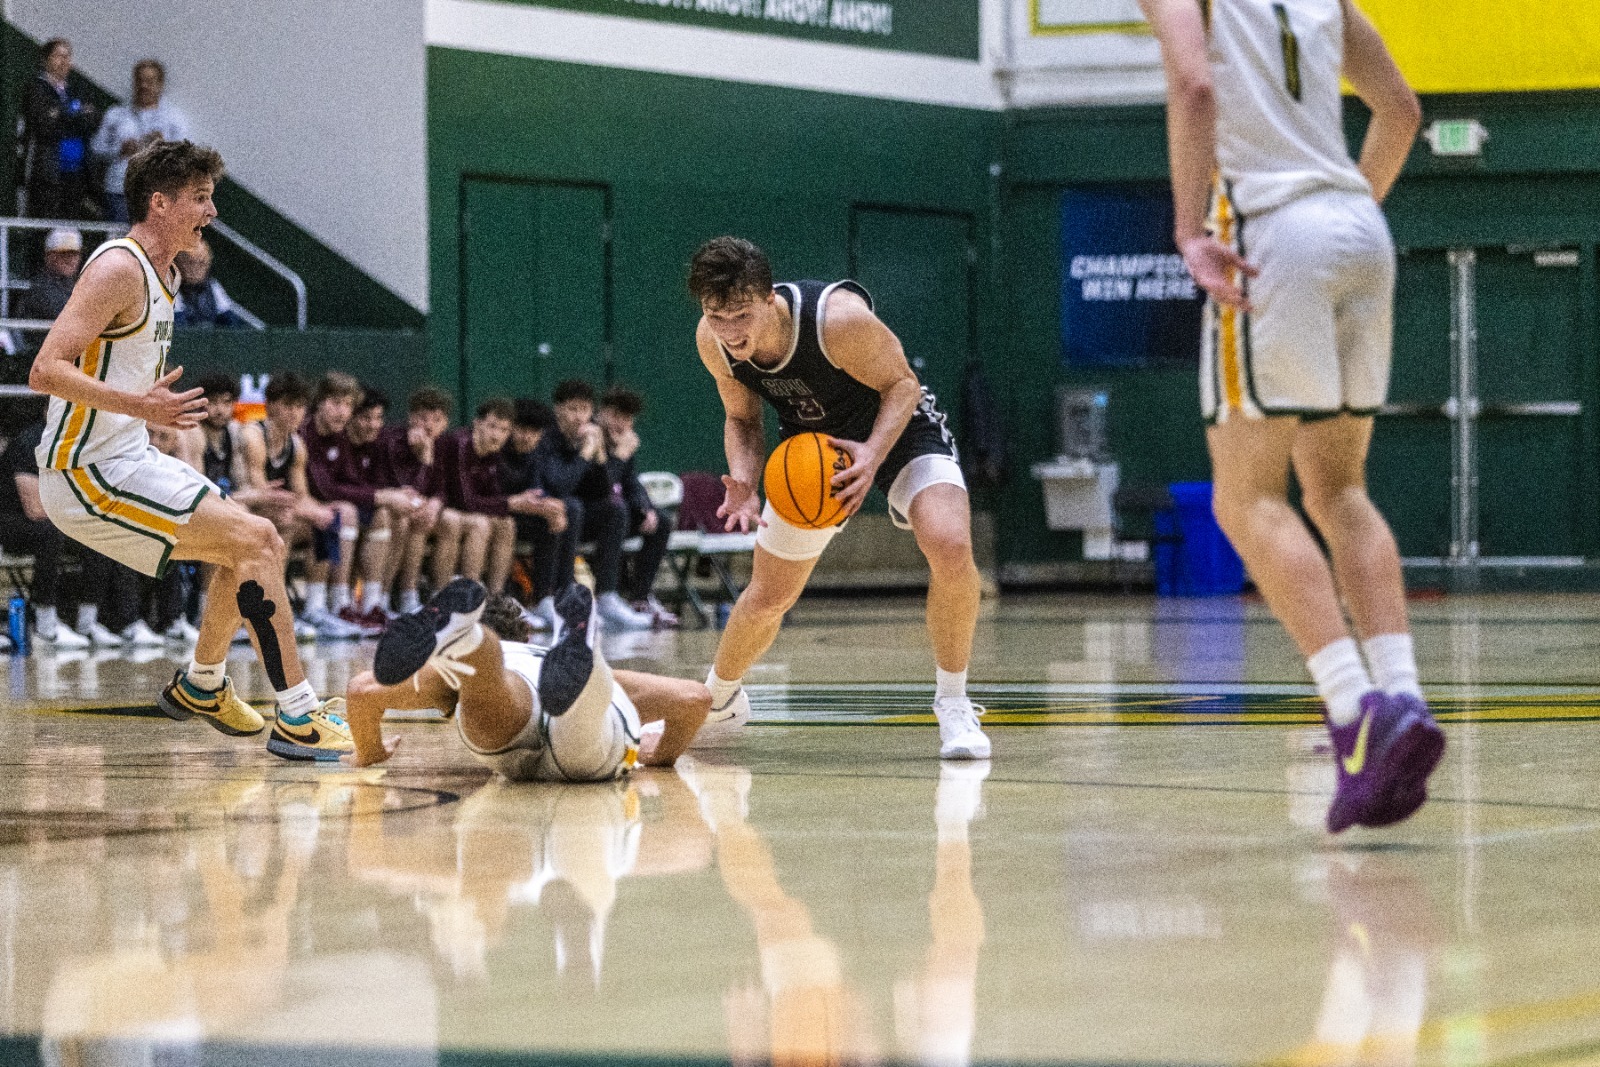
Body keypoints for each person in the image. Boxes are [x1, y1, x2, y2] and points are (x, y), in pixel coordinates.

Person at [1138, 0, 1443, 831]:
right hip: (1357, 224)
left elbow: (1194, 84)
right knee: (1340, 489)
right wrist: (1345, 215)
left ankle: (1355, 714)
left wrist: (1185, 228)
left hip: (1270, 230)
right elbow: (1402, 111)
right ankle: (1401, 699)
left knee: (1245, 498)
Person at [28, 139, 351, 759]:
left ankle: (204, 684)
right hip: (84, 472)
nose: (212, 212)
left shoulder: (167, 273)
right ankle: (299, 717)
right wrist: (141, 408)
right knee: (258, 541)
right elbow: (45, 369)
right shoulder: (118, 267)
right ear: (160, 202)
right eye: (201, 198)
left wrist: (142, 416)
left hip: (127, 457)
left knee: (252, 542)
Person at [688, 237, 986, 759]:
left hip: (898, 431)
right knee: (769, 594)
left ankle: (954, 703)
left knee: (949, 544)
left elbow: (903, 385)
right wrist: (743, 480)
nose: (730, 331)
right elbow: (741, 418)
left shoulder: (837, 322)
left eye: (740, 315)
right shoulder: (712, 342)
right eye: (716, 316)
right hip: (814, 452)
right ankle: (721, 699)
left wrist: (872, 454)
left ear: (768, 299)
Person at [342, 579, 711, 778]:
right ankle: (579, 657)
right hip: (587, 742)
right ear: (525, 637)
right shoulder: (538, 660)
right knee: (583, 723)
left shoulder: (448, 679)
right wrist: (660, 756)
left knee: (487, 687)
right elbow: (696, 699)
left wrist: (369, 754)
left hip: (512, 715)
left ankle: (473, 642)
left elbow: (362, 691)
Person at [235, 372, 359, 640]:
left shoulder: (296, 445)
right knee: (286, 519)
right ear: (271, 406)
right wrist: (305, 509)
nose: (295, 413)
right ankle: (269, 607)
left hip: (276, 511)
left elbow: (301, 496)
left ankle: (315, 606)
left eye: (300, 406)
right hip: (241, 507)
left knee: (325, 519)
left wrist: (320, 513)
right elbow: (260, 494)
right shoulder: (253, 437)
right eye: (288, 406)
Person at [533, 380, 652, 632]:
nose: (579, 417)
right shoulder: (547, 438)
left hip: (579, 516)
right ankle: (558, 596)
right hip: (544, 514)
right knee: (571, 506)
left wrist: (601, 459)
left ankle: (608, 596)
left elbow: (605, 491)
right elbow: (559, 486)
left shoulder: (593, 437)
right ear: (558, 410)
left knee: (615, 510)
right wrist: (586, 454)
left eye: (584, 410)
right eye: (573, 409)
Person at [299, 371, 387, 635]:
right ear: (319, 403)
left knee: (382, 514)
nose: (343, 412)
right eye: (336, 403)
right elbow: (323, 488)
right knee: (341, 512)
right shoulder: (306, 433)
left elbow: (352, 481)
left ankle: (372, 604)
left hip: (320, 510)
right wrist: (380, 495)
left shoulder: (340, 437)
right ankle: (329, 605)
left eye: (348, 405)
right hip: (298, 508)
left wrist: (387, 497)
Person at [343, 387, 431, 619]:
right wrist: (385, 495)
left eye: (378, 418)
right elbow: (332, 488)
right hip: (336, 512)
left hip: (364, 511)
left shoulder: (381, 441)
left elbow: (387, 483)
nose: (374, 424)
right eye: (366, 418)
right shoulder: (340, 440)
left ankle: (376, 602)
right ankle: (338, 603)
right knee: (351, 513)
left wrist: (423, 458)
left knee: (398, 517)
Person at [0, 417, 86, 649]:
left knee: (105, 535)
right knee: (50, 533)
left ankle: (93, 624)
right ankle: (45, 624)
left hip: (52, 520)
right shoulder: (30, 442)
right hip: (11, 524)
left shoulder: (75, 443)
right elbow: (35, 510)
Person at [597, 386, 678, 628]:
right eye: (616, 416)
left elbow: (632, 483)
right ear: (601, 413)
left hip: (612, 518)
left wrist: (645, 508)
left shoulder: (623, 444)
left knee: (661, 521)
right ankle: (606, 595)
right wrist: (619, 456)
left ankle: (640, 597)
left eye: (627, 418)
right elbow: (600, 486)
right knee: (617, 511)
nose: (621, 424)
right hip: (588, 516)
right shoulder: (590, 438)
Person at [376, 385, 454, 614]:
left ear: (446, 422)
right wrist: (425, 457)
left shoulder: (443, 444)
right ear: (410, 418)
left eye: (436, 419)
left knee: (446, 522)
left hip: (415, 509)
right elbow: (408, 487)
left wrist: (435, 503)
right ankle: (386, 595)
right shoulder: (394, 441)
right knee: (407, 521)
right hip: (391, 507)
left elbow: (442, 488)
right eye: (422, 418)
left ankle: (435, 597)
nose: (429, 425)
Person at [434, 397, 521, 596]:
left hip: (464, 511)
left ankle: (496, 597)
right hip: (441, 507)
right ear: (477, 423)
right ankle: (462, 596)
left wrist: (513, 504)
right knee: (479, 523)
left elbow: (493, 496)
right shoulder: (459, 444)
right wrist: (512, 503)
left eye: (504, 430)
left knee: (506, 523)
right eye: (492, 426)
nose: (497, 435)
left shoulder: (494, 452)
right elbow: (465, 500)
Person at [500, 398, 571, 631]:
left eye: (534, 432)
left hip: (515, 513)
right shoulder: (498, 451)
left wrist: (551, 507)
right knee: (504, 525)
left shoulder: (536, 453)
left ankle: (544, 598)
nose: (526, 436)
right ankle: (504, 597)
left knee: (551, 519)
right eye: (521, 429)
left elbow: (539, 492)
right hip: (496, 514)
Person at [90, 59, 190, 223]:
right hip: (118, 191)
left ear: (160, 84)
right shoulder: (116, 114)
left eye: (150, 81)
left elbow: (186, 159)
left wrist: (165, 147)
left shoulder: (174, 120)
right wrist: (119, 150)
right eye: (140, 80)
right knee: (119, 245)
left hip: (156, 196)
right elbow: (96, 147)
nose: (144, 86)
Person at [17, 38, 99, 220]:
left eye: (67, 56)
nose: (64, 61)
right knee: (45, 225)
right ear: (45, 60)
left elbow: (91, 120)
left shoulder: (77, 89)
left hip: (76, 174)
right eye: (58, 56)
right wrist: (74, 115)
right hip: (47, 174)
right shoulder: (36, 89)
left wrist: (62, 114)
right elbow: (45, 125)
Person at [172, 240, 249, 329]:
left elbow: (230, 321)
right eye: (189, 262)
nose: (195, 269)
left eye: (201, 263)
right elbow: (179, 327)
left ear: (208, 264)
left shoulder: (213, 286)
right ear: (177, 262)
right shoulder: (170, 286)